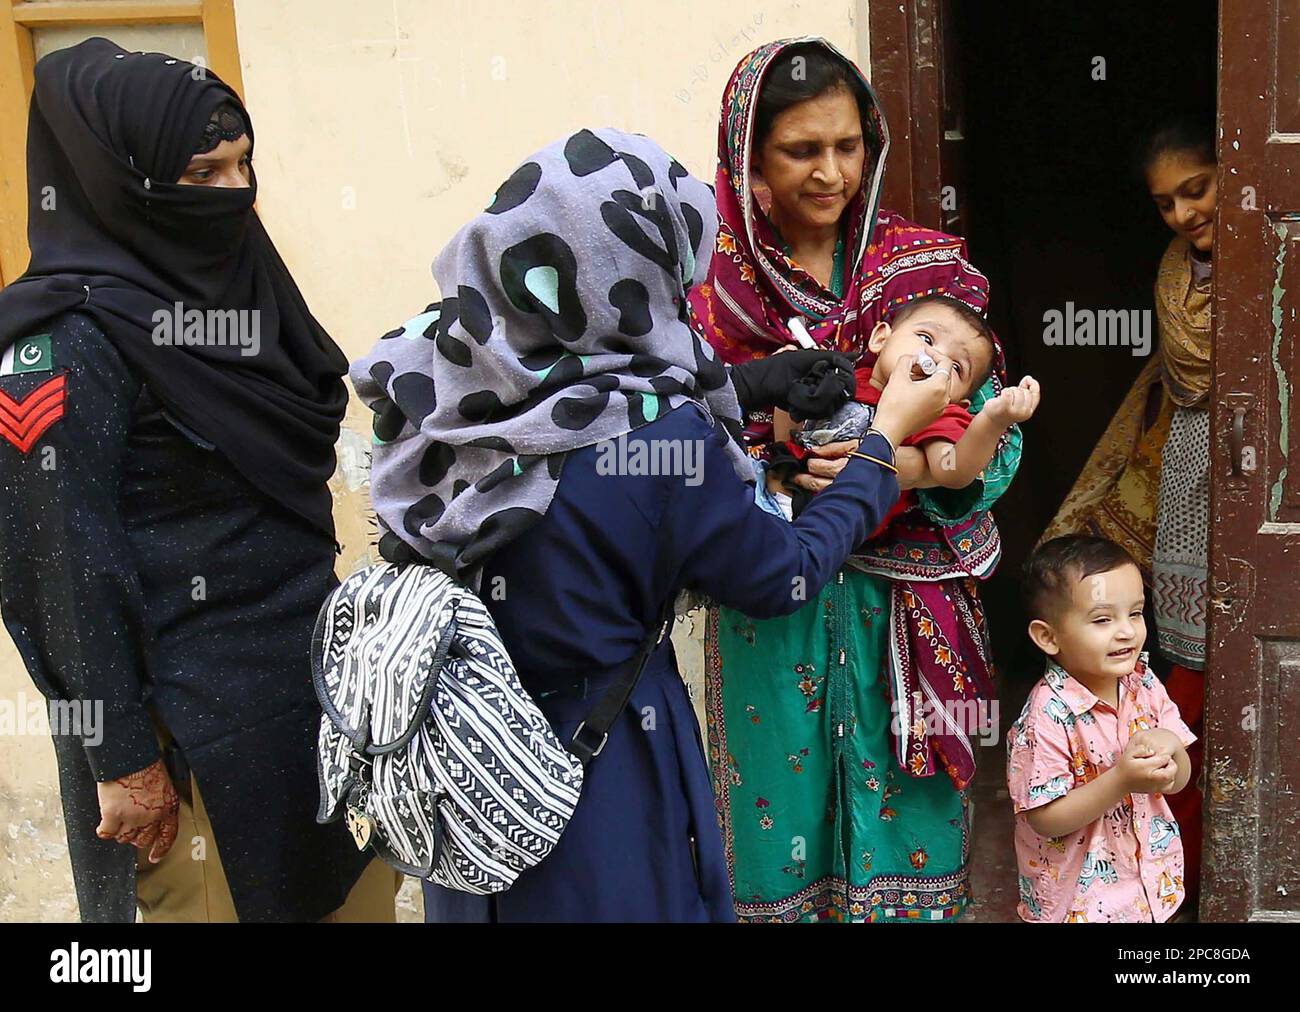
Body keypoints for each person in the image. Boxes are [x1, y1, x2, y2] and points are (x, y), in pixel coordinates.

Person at [350, 127, 955, 922]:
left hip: (467, 756)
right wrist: (881, 445)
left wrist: (748, 382)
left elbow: (575, 414)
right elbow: (783, 573)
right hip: (598, 769)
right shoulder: (662, 442)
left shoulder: (444, 372)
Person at [0, 39, 394, 921]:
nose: (232, 195)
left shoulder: (240, 295)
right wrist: (124, 759)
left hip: (316, 709)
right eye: (200, 172)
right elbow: (57, 569)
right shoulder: (63, 347)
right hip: (193, 752)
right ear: (118, 179)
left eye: (241, 166)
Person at [688, 37, 1028, 922]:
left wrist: (900, 458)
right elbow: (678, 445)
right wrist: (776, 458)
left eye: (849, 146)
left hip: (906, 609)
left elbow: (1001, 448)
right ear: (748, 156)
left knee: (905, 823)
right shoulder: (707, 289)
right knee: (774, 826)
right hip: (775, 603)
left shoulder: (928, 276)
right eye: (803, 150)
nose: (832, 172)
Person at [1041, 113, 1213, 902]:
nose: (1184, 216)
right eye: (1166, 203)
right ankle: (1169, 870)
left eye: (1198, 190)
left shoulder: (1280, 251)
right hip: (1189, 467)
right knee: (1188, 664)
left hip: (1261, 483)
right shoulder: (1176, 273)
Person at [1010, 535, 1194, 923]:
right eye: (1102, 619)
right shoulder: (1047, 715)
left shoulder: (1143, 683)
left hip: (1148, 883)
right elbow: (1044, 817)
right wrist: (1122, 779)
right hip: (1078, 900)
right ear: (1048, 636)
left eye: (1136, 613)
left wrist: (1169, 747)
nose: (1126, 631)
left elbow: (1177, 781)